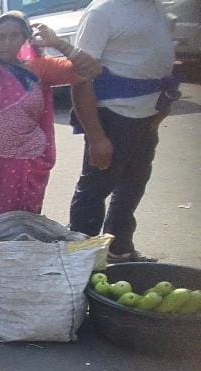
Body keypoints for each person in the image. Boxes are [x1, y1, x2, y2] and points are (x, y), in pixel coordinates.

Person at [0, 13, 100, 224]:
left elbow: (91, 70)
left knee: (16, 226)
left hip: (24, 162)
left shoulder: (38, 68)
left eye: (15, 36)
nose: (7, 43)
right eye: (0, 36)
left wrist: (57, 43)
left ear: (25, 38)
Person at [68, 0, 177, 263]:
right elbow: (80, 78)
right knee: (95, 191)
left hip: (147, 117)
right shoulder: (102, 12)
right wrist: (97, 137)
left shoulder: (155, 7)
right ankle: (81, 262)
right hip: (114, 117)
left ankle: (120, 250)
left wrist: (160, 112)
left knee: (132, 188)